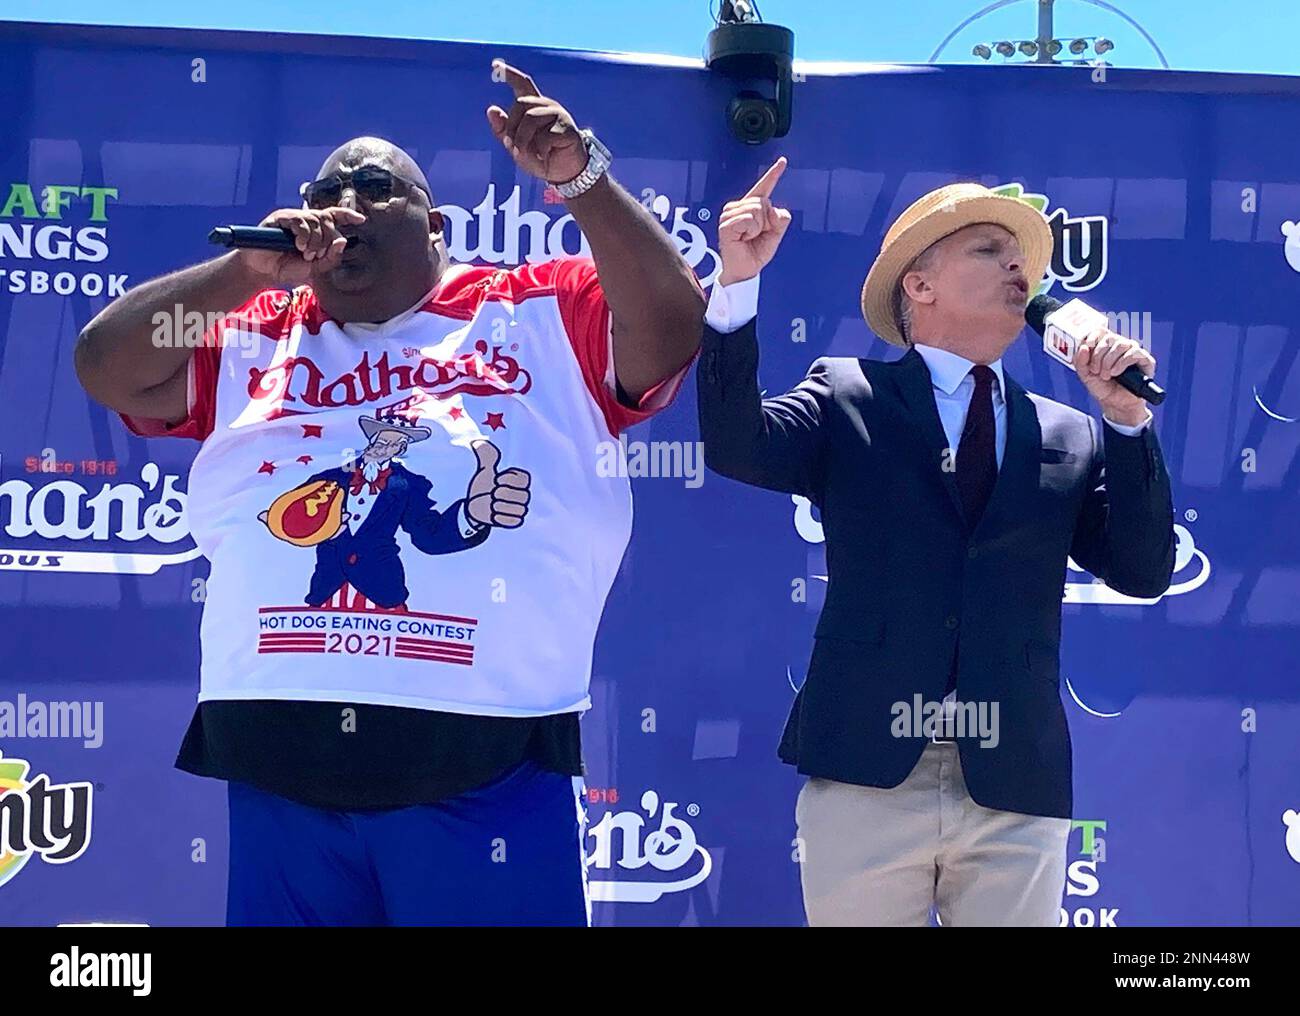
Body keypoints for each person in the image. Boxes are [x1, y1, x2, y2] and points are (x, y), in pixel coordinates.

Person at [74, 61, 705, 926]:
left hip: (482, 760)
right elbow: (106, 369)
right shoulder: (256, 333)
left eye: (375, 187)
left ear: (436, 226)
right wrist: (244, 274)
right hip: (280, 760)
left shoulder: (534, 308)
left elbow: (670, 328)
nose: (344, 203)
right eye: (326, 189)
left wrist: (579, 180)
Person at [697, 164, 1175, 926]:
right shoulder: (848, 393)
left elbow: (1146, 571)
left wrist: (1123, 420)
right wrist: (737, 284)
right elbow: (736, 445)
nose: (1018, 268)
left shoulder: (1069, 429)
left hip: (1015, 778)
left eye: (1022, 259)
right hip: (867, 770)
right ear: (918, 286)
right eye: (989, 250)